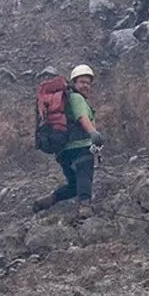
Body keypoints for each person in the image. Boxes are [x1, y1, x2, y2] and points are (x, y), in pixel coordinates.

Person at [32, 64, 104, 219]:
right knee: (85, 174)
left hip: (63, 151)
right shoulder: (77, 98)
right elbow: (82, 117)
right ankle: (85, 207)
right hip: (81, 146)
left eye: (88, 82)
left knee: (73, 185)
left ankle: (50, 200)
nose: (86, 85)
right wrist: (94, 133)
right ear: (74, 82)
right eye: (82, 82)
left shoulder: (66, 99)